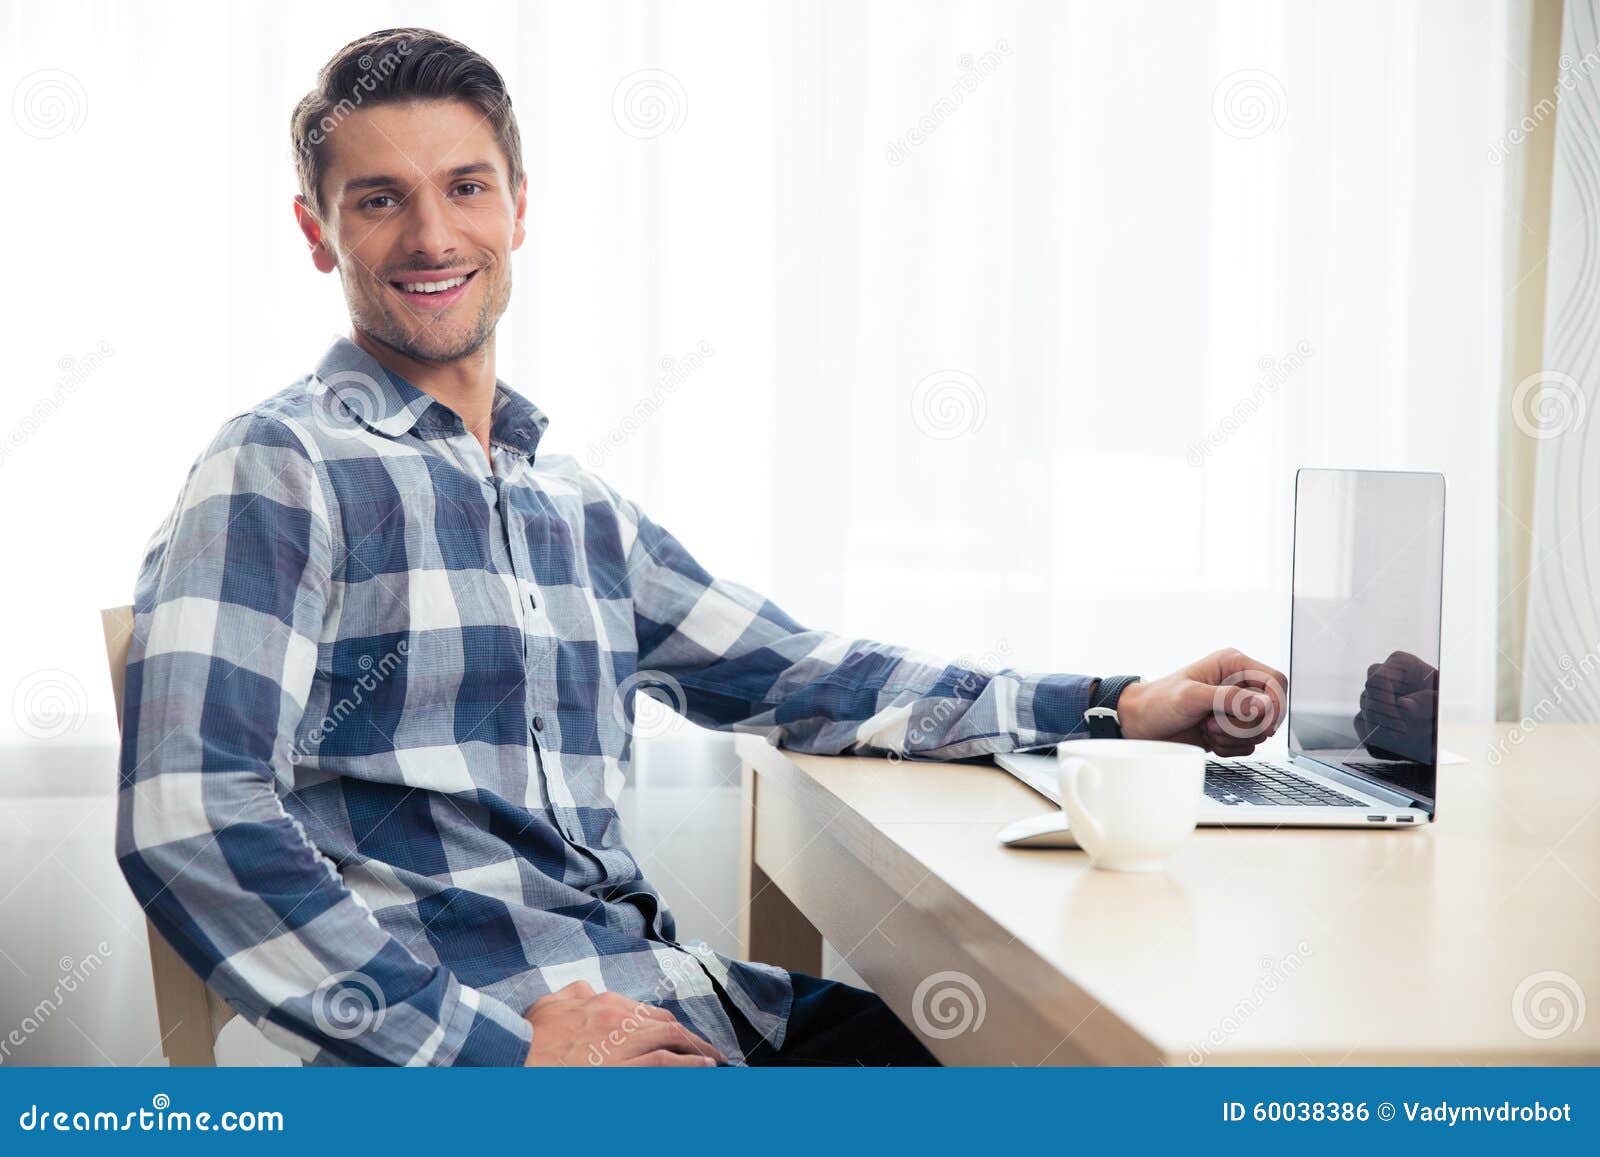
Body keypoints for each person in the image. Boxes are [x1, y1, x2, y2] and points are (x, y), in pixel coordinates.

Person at [115, 27, 1285, 1068]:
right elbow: (192, 816)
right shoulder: (280, 466)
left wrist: (1115, 704)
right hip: (502, 1040)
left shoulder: (571, 505)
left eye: (464, 186)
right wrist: (493, 1057)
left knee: (1018, 1053)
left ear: (518, 208)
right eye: (379, 199)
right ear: (317, 233)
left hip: (665, 996)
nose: (432, 234)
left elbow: (805, 675)